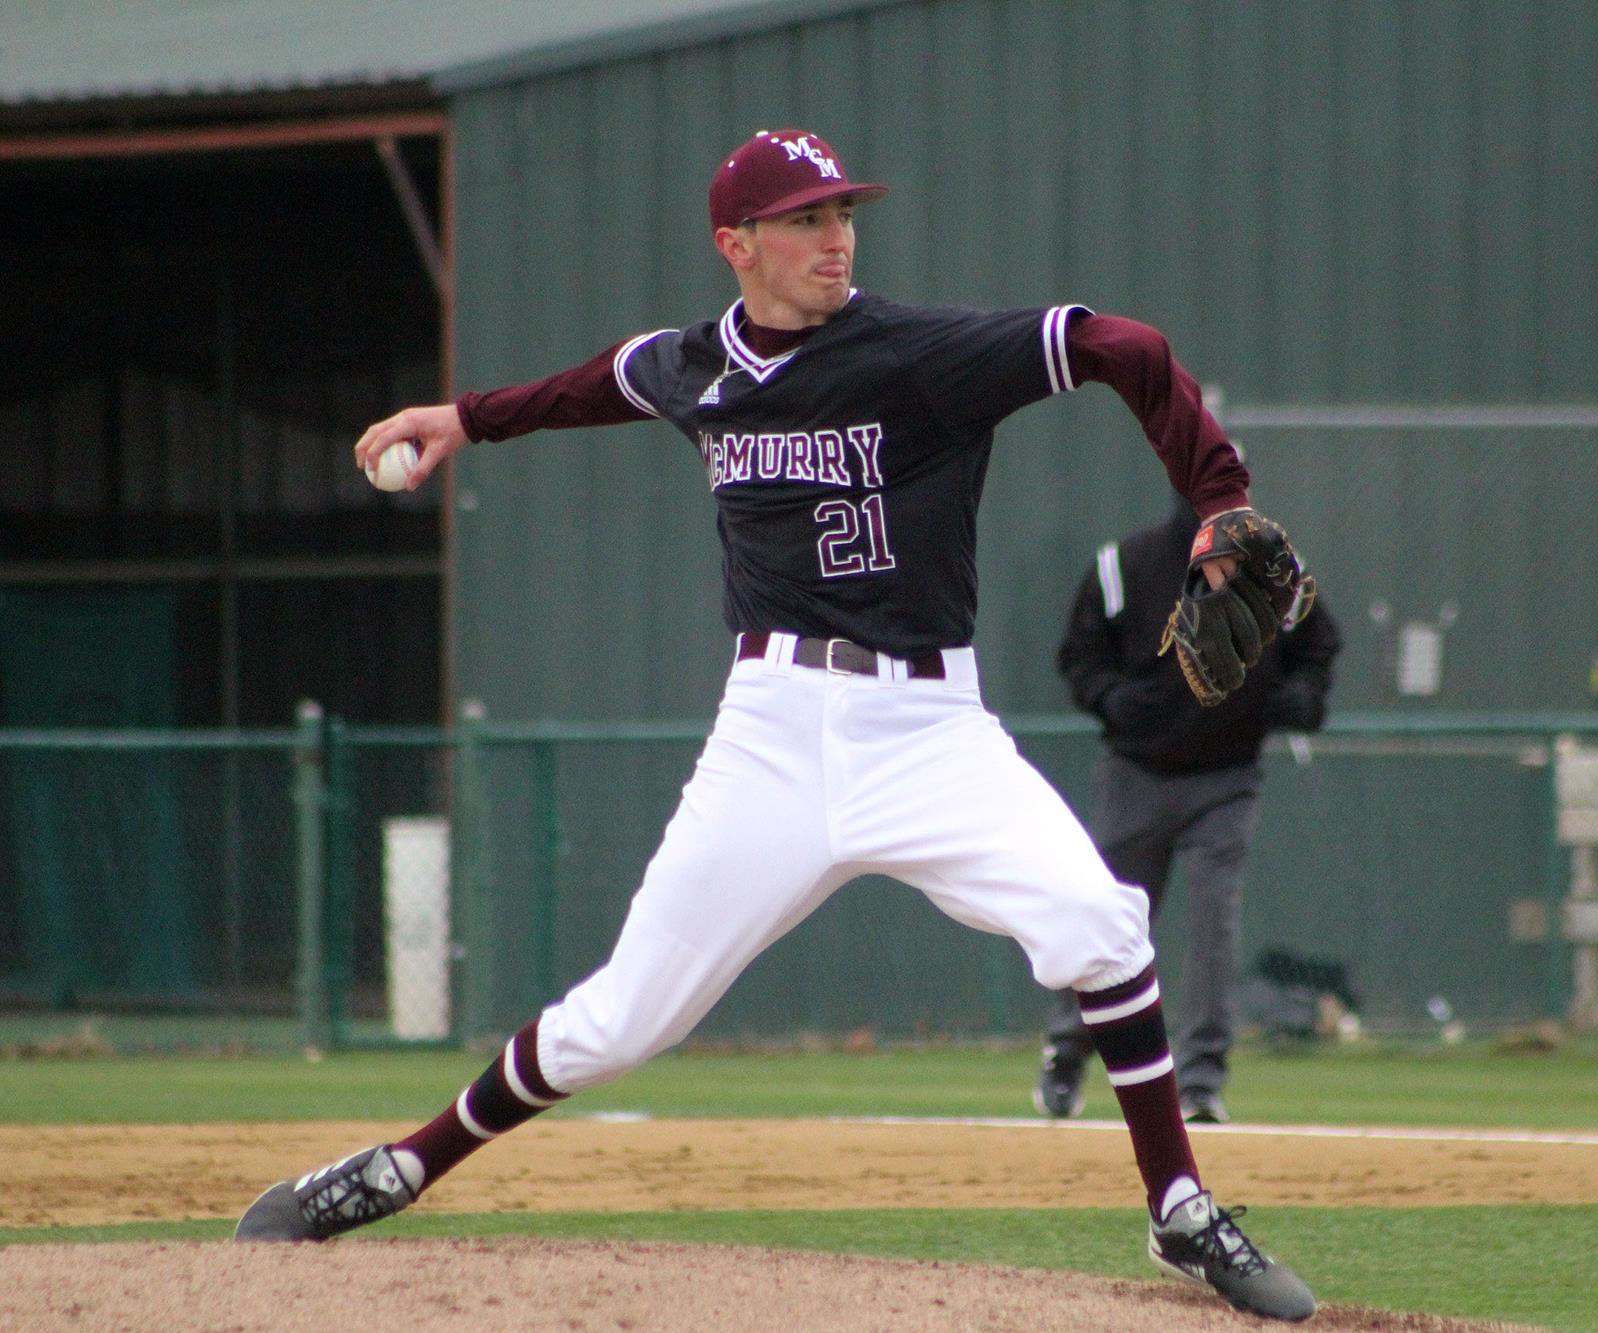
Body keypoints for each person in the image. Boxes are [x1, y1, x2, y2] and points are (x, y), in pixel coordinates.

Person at [233, 128, 1316, 1322]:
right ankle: (395, 1168)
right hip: (769, 733)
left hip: (928, 729)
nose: (834, 236)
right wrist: (466, 417)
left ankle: (1176, 1210)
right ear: (734, 244)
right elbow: (600, 381)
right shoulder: (690, 366)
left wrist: (1222, 498)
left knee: (1101, 926)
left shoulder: (917, 354)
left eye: (841, 212)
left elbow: (1124, 346)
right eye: (803, 218)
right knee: (621, 1019)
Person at [1034, 498, 1339, 1127]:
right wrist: (1112, 698)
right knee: (1105, 927)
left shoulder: (1274, 566)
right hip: (1136, 775)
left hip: (1226, 779)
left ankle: (1199, 1084)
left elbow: (1318, 644)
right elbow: (1079, 656)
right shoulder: (1127, 564)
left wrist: (1301, 695)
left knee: (1213, 931)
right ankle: (1067, 1054)